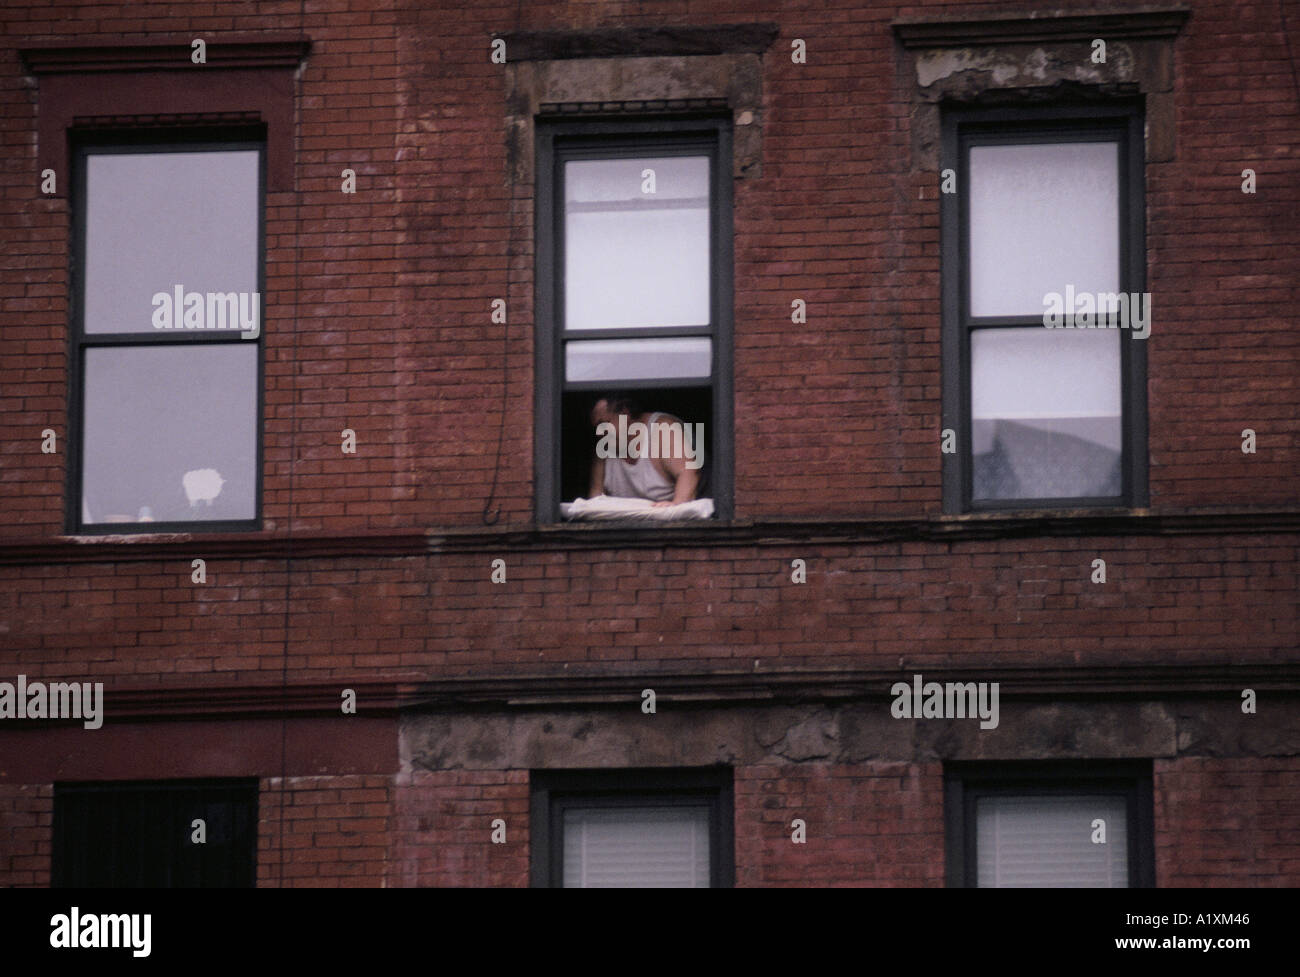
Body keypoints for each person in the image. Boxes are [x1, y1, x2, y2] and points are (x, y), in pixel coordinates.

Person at [588, 394, 701, 507]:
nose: (600, 433)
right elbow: (595, 501)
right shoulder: (604, 450)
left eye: (604, 424)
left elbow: (689, 472)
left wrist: (676, 507)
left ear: (624, 413)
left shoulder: (663, 430)